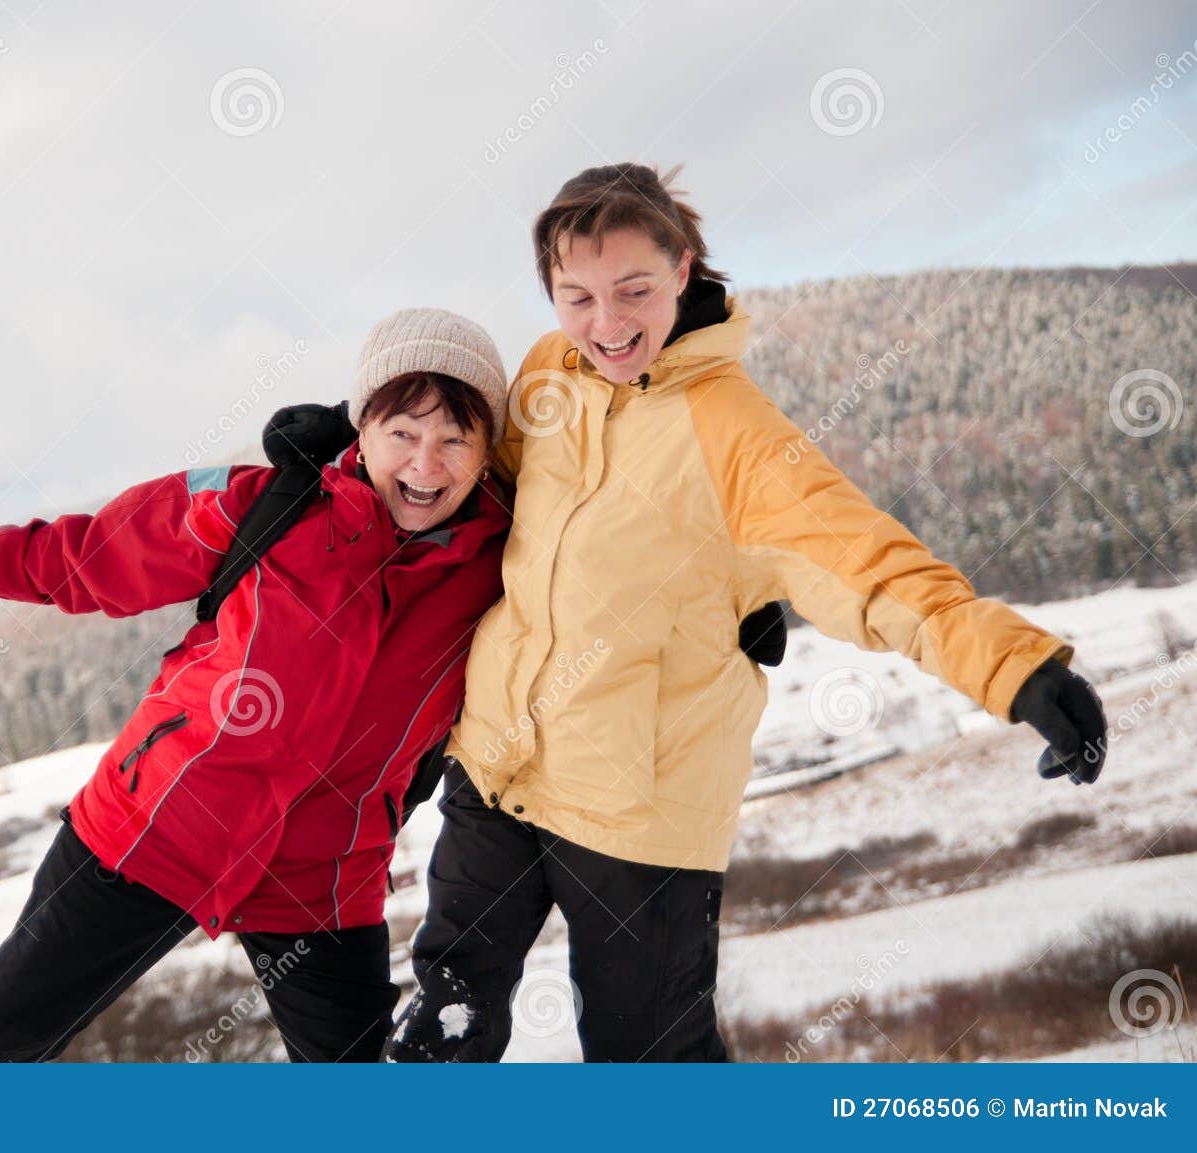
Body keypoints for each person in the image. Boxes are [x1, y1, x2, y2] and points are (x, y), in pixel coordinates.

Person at [263, 163, 1108, 1063]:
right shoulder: (551, 373)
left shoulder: (732, 430)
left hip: (642, 811)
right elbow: (467, 480)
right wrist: (345, 449)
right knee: (440, 1032)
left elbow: (862, 563)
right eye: (575, 295)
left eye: (633, 288)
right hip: (500, 768)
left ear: (683, 269)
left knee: (651, 1060)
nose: (606, 323)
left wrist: (1017, 667)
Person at [0, 307, 514, 1062]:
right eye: (403, 432)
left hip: (324, 873)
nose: (425, 464)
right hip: (157, 826)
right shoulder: (266, 506)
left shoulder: (500, 564)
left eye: (454, 439)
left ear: (487, 451)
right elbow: (99, 551)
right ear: (361, 427)